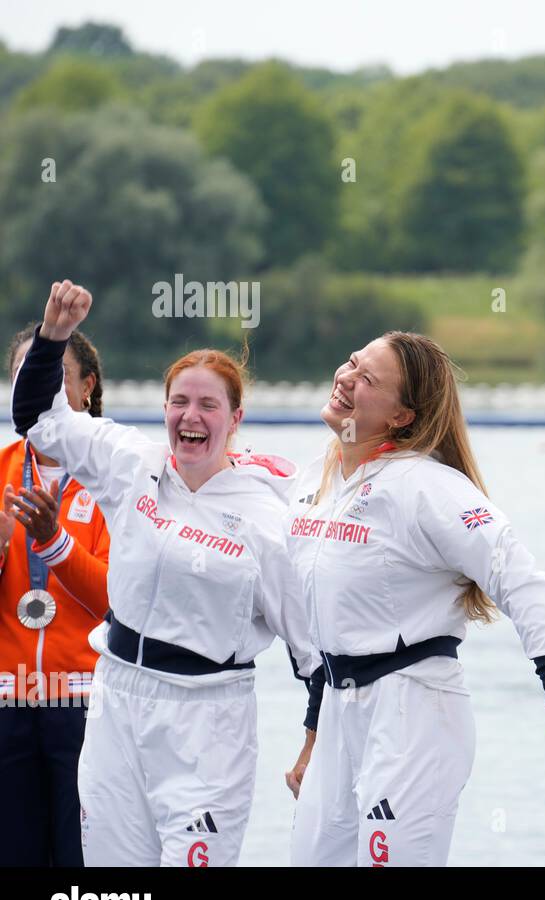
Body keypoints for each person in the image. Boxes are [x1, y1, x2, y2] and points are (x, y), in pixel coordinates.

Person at [11, 279, 318, 867]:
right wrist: (53, 337)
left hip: (209, 715)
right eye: (180, 402)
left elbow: (313, 657)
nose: (191, 417)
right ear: (165, 410)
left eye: (208, 405)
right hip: (117, 697)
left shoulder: (268, 520)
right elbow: (36, 419)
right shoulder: (130, 461)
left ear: (236, 418)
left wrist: (312, 747)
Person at [284, 331, 545, 868]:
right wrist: (313, 734)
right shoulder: (318, 479)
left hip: (413, 714)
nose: (346, 378)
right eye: (352, 363)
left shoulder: (428, 487)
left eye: (367, 379)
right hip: (339, 708)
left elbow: (523, 581)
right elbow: (327, 625)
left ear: (403, 416)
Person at [0, 327, 110, 866]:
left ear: (86, 388)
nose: (38, 386)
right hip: (7, 701)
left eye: (54, 375)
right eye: (26, 376)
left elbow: (117, 603)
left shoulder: (114, 476)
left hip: (86, 704)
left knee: (81, 859)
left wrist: (54, 542)